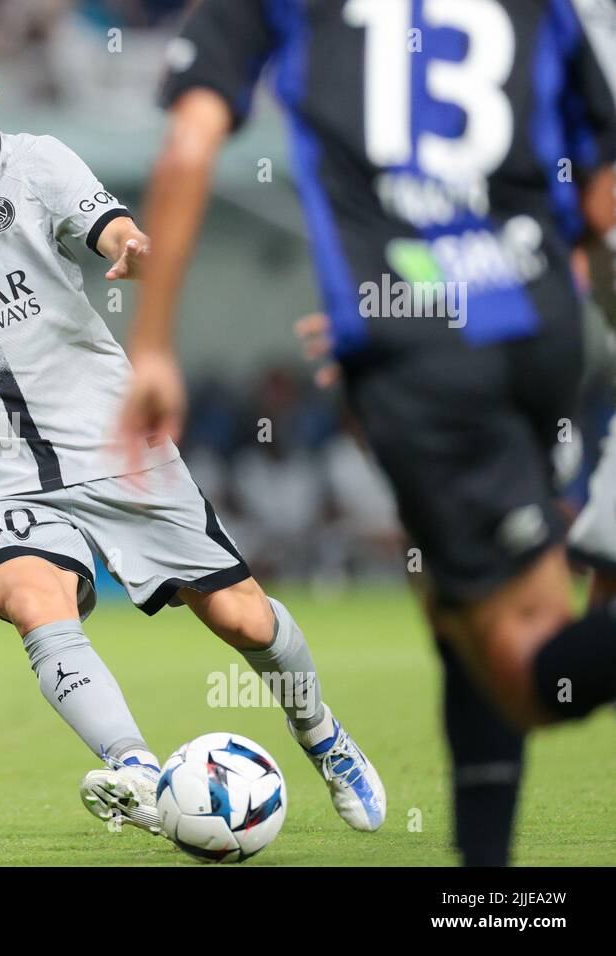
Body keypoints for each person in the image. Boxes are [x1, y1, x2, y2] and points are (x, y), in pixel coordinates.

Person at [0, 11, 385, 838]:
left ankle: (324, 738)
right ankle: (139, 772)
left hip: (111, 436)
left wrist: (131, 243)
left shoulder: (40, 163)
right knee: (32, 600)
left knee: (244, 620)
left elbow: (106, 223)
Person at [121, 0, 616, 864]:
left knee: (525, 670)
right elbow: (602, 191)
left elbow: (189, 145)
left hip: (422, 355)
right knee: (460, 611)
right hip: (538, 327)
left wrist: (154, 343)